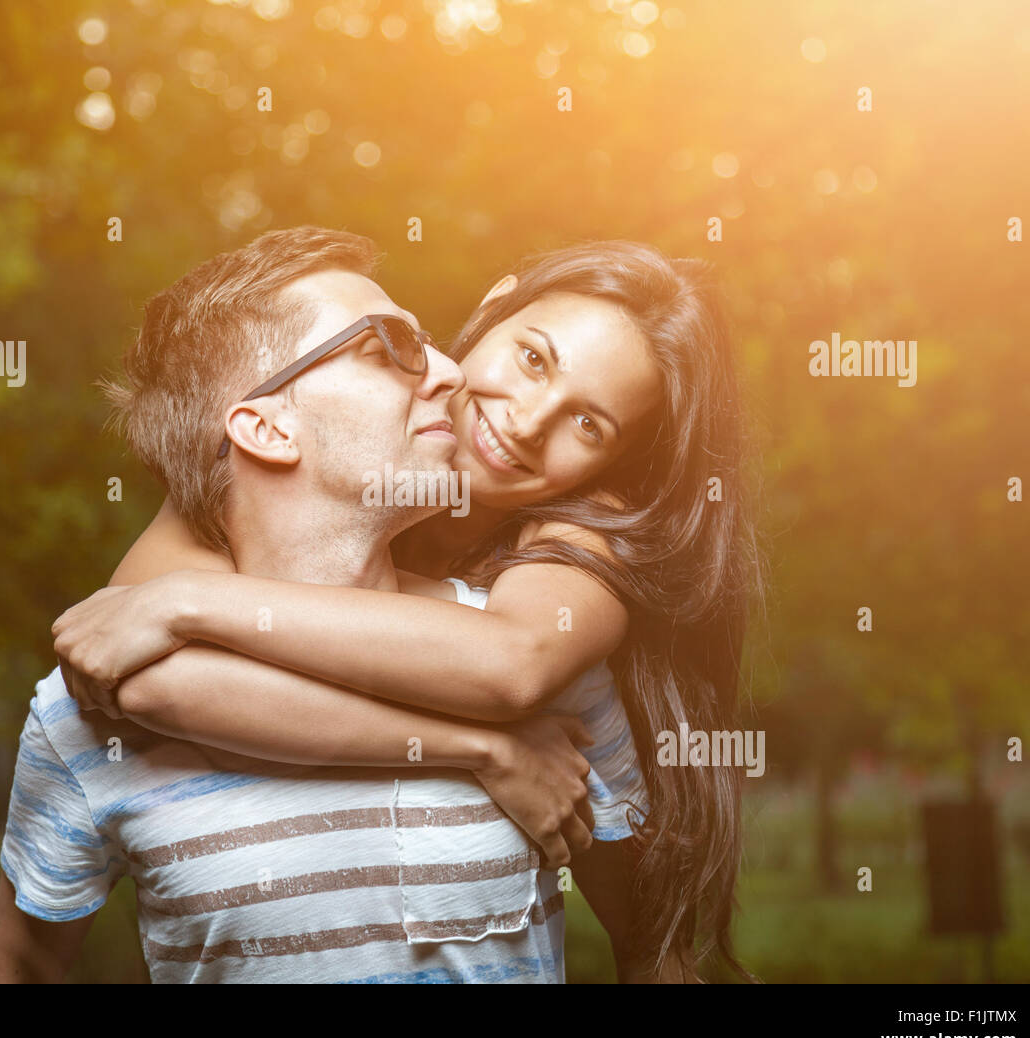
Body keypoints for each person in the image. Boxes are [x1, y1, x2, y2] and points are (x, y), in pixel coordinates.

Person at [54, 236, 762, 983]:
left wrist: (189, 601)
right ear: (494, 306)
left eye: (589, 426)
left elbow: (514, 663)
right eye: (532, 358)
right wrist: (491, 752)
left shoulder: (578, 540)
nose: (526, 423)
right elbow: (136, 679)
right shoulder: (302, 442)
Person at [0, 226, 597, 984]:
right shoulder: (88, 714)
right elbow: (20, 967)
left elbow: (662, 947)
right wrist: (489, 750)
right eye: (388, 346)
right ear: (266, 427)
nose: (447, 371)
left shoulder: (555, 654)